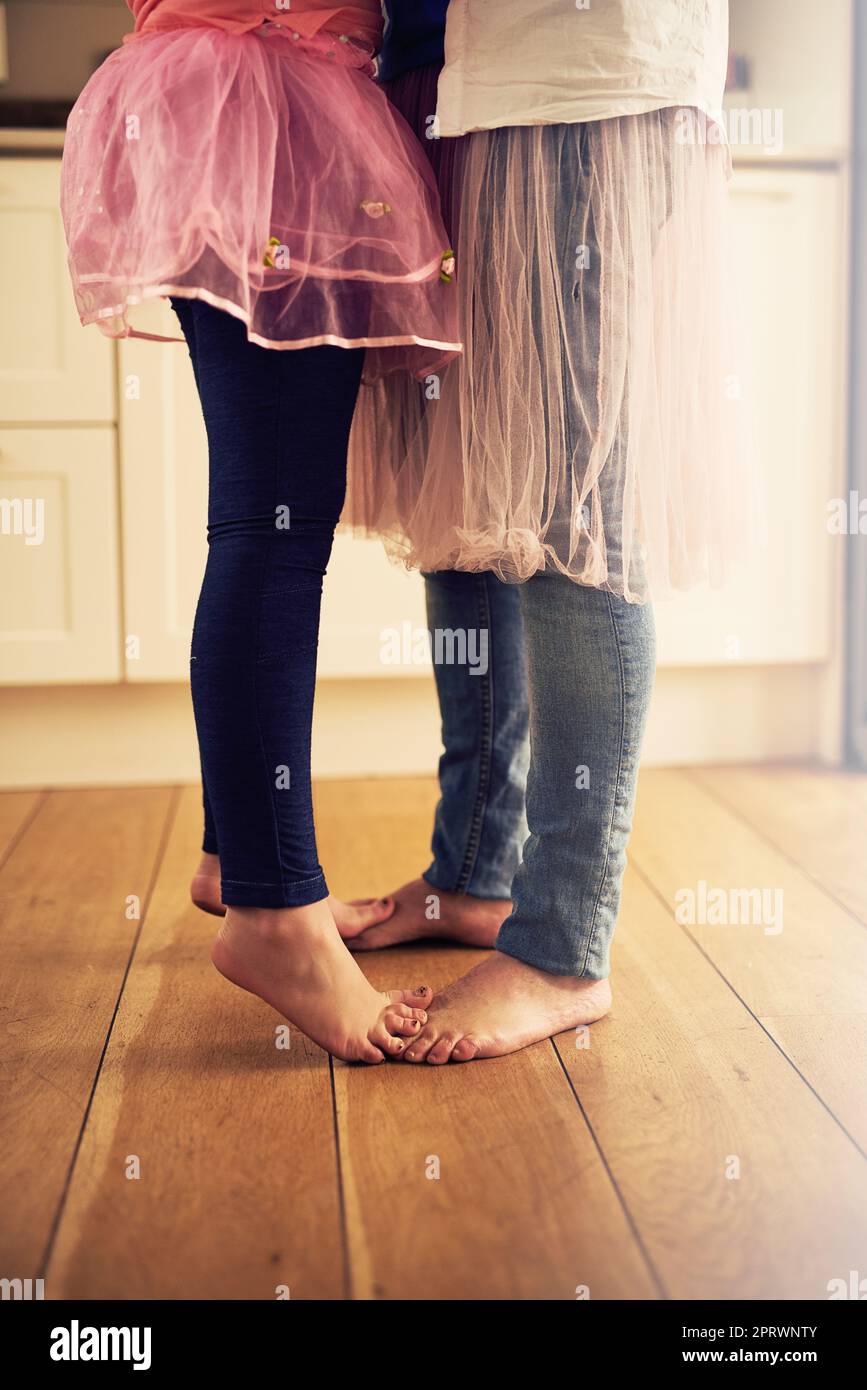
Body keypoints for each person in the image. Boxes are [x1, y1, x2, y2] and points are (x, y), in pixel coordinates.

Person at [337, 0, 751, 1061]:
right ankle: (475, 869)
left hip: (575, 73)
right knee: (470, 480)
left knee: (572, 493)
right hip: (444, 75)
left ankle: (565, 944)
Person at [60, 0, 463, 1063]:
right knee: (273, 527)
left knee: (272, 516)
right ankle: (273, 911)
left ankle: (231, 858)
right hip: (267, 97)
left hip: (238, 88)